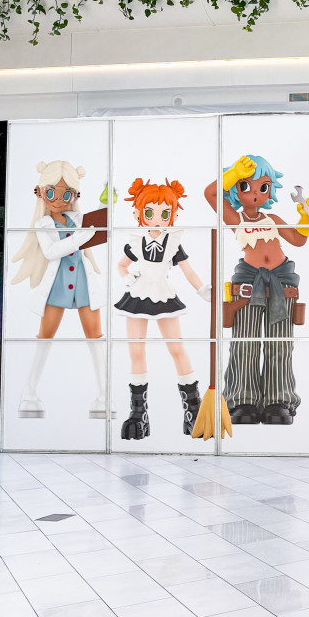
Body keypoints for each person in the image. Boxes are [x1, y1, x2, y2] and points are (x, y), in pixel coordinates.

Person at [205, 155, 309, 425]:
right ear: (236, 190)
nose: (255, 193)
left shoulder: (273, 218)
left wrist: (305, 218)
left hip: (282, 282)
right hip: (248, 284)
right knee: (245, 343)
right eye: (246, 186)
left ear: (270, 191)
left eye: (263, 187)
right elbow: (211, 194)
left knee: (281, 344)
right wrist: (233, 173)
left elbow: (297, 239)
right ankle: (243, 399)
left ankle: (279, 399)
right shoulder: (236, 219)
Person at [115, 178, 211, 440]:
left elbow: (189, 271)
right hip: (137, 295)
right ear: (138, 213)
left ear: (173, 215)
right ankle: (138, 413)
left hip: (163, 295)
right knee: (136, 351)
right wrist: (126, 277)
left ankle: (193, 409)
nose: (157, 220)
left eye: (164, 214)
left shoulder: (173, 243)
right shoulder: (135, 241)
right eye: (150, 213)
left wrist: (203, 290)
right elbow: (121, 265)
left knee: (176, 348)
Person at [10, 160, 105, 418]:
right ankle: (29, 393)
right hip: (57, 284)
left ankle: (103, 394)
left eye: (66, 194)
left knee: (96, 338)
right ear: (40, 192)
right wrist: (80, 238)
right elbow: (52, 251)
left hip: (83, 283)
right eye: (51, 192)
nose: (58, 200)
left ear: (74, 195)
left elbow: (98, 226)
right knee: (45, 337)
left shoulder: (78, 219)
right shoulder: (43, 225)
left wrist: (106, 203)